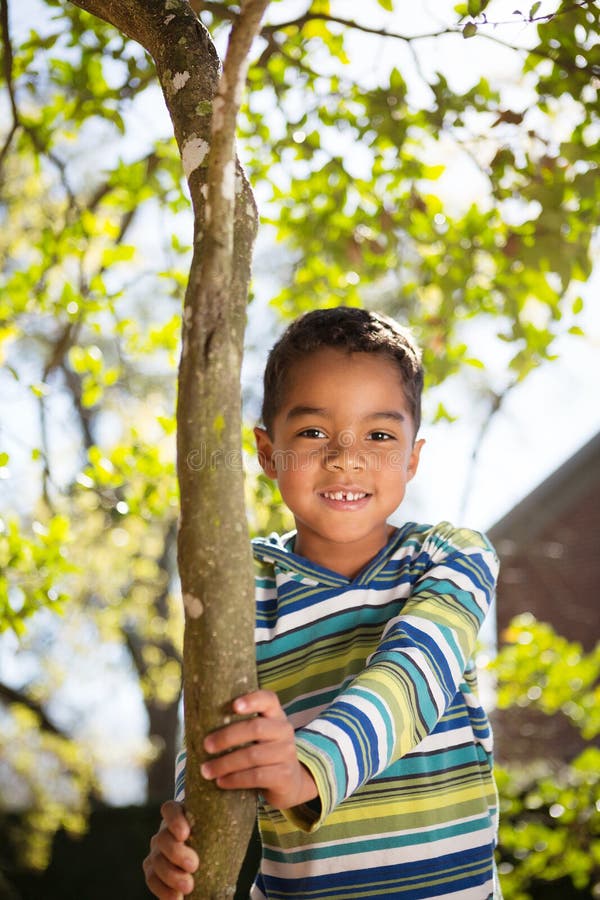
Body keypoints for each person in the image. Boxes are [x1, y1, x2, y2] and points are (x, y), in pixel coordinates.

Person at [143, 307, 502, 900]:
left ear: (413, 456)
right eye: (312, 432)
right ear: (267, 452)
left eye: (379, 435)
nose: (345, 457)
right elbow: (213, 730)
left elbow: (412, 675)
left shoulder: (451, 557)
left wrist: (307, 768)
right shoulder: (241, 582)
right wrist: (185, 832)